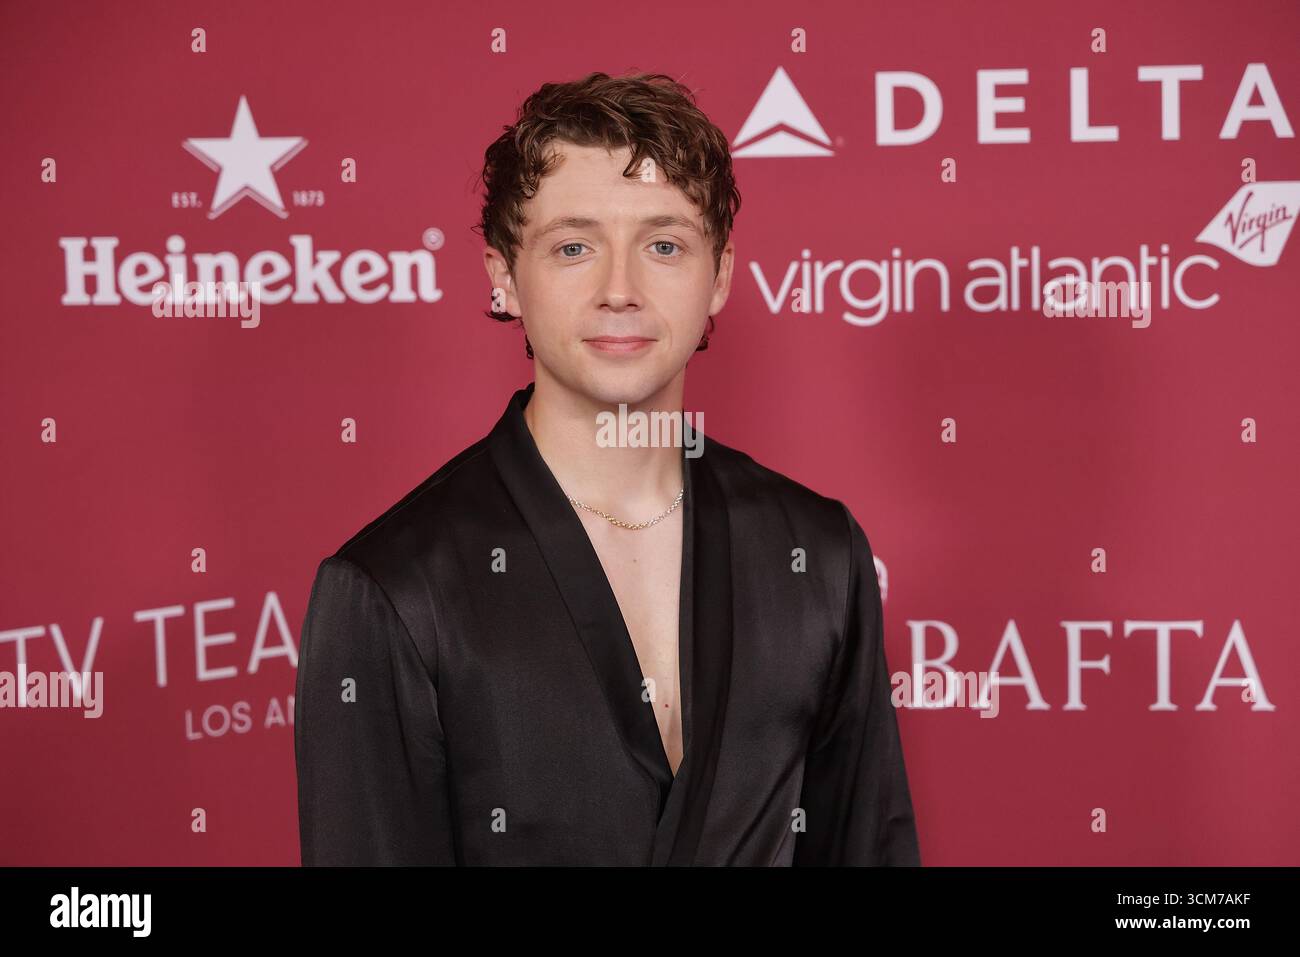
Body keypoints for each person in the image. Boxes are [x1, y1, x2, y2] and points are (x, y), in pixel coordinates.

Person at [294, 71, 920, 866]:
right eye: (574, 246)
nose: (619, 290)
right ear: (502, 276)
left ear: (719, 275)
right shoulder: (393, 586)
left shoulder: (817, 551)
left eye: (663, 245)